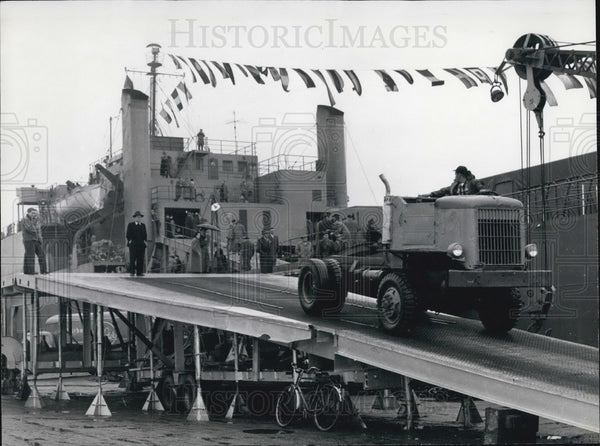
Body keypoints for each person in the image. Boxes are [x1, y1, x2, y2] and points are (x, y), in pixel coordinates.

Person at [22, 208, 47, 275]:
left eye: (36, 213)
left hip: (36, 240)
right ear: (28, 213)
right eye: (33, 213)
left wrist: (40, 239)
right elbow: (30, 229)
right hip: (28, 240)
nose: (34, 215)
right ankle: (30, 271)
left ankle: (44, 270)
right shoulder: (24, 220)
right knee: (30, 256)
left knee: (42, 255)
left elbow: (39, 231)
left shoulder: (36, 221)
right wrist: (34, 222)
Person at [126, 211, 147, 276]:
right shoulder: (131, 225)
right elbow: (128, 234)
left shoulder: (143, 225)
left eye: (140, 217)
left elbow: (145, 235)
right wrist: (130, 240)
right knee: (132, 258)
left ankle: (139, 272)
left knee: (140, 258)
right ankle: (132, 272)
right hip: (133, 244)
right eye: (137, 217)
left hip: (141, 244)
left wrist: (145, 241)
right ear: (135, 218)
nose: (139, 218)